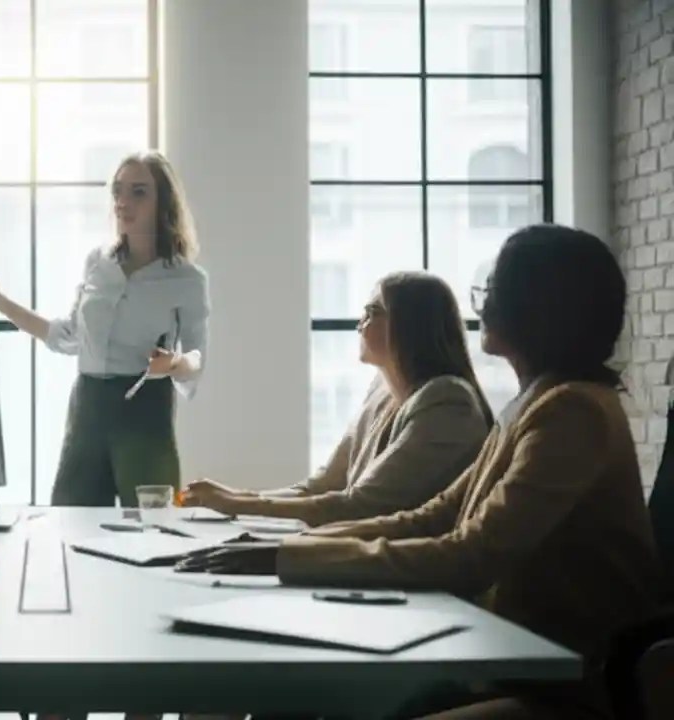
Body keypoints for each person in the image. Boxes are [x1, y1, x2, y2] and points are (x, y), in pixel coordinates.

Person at [176, 224, 664, 719]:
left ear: (539, 307)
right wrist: (288, 550)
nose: (482, 306)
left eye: (494, 291)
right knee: (288, 694)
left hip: (569, 686)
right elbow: (431, 517)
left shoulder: (572, 413)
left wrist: (289, 557)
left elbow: (469, 553)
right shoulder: (534, 401)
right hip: (505, 656)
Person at [0, 151, 210, 507]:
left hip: (145, 413)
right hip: (88, 411)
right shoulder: (98, 262)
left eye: (138, 192)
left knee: (153, 532)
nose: (123, 202)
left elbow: (197, 358)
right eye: (118, 191)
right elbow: (65, 335)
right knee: (71, 527)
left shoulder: (187, 278)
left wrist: (173, 363)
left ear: (164, 201)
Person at [183, 272, 492, 527]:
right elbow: (324, 485)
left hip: (412, 575)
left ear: (410, 325)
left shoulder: (448, 404)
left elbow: (359, 506)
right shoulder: (381, 390)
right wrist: (237, 497)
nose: (360, 323)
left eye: (373, 312)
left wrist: (237, 505)